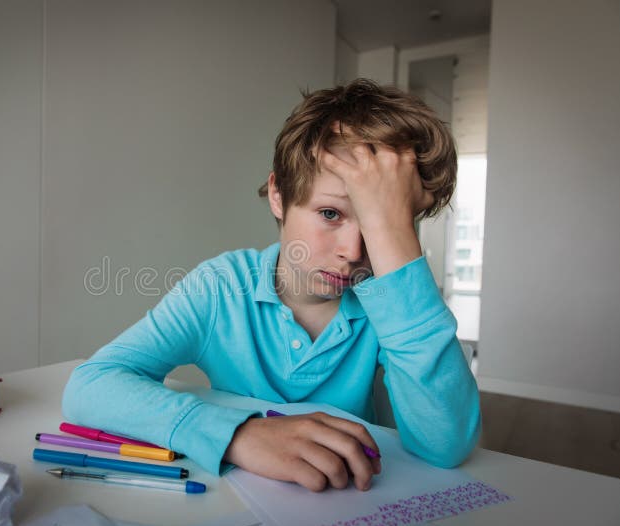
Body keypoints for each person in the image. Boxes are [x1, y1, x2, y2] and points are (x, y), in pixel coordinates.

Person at [62, 79, 481, 492]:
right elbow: (90, 386)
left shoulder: (392, 297)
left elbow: (445, 444)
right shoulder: (221, 287)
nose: (354, 251)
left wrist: (395, 241)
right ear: (279, 195)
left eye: (377, 227)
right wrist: (239, 435)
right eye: (331, 214)